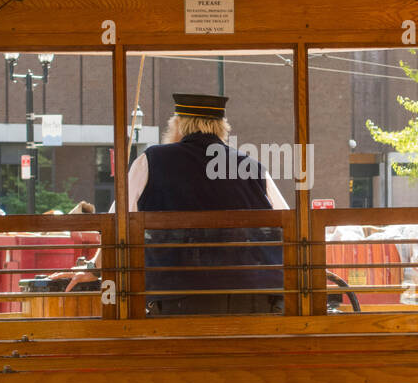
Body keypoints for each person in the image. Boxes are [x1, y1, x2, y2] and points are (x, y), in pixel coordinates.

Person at [66, 94, 288, 315]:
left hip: (178, 297)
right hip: (255, 295)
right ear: (221, 128)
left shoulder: (151, 161)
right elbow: (286, 221)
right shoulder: (251, 166)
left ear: (179, 126)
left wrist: (94, 271)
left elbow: (115, 225)